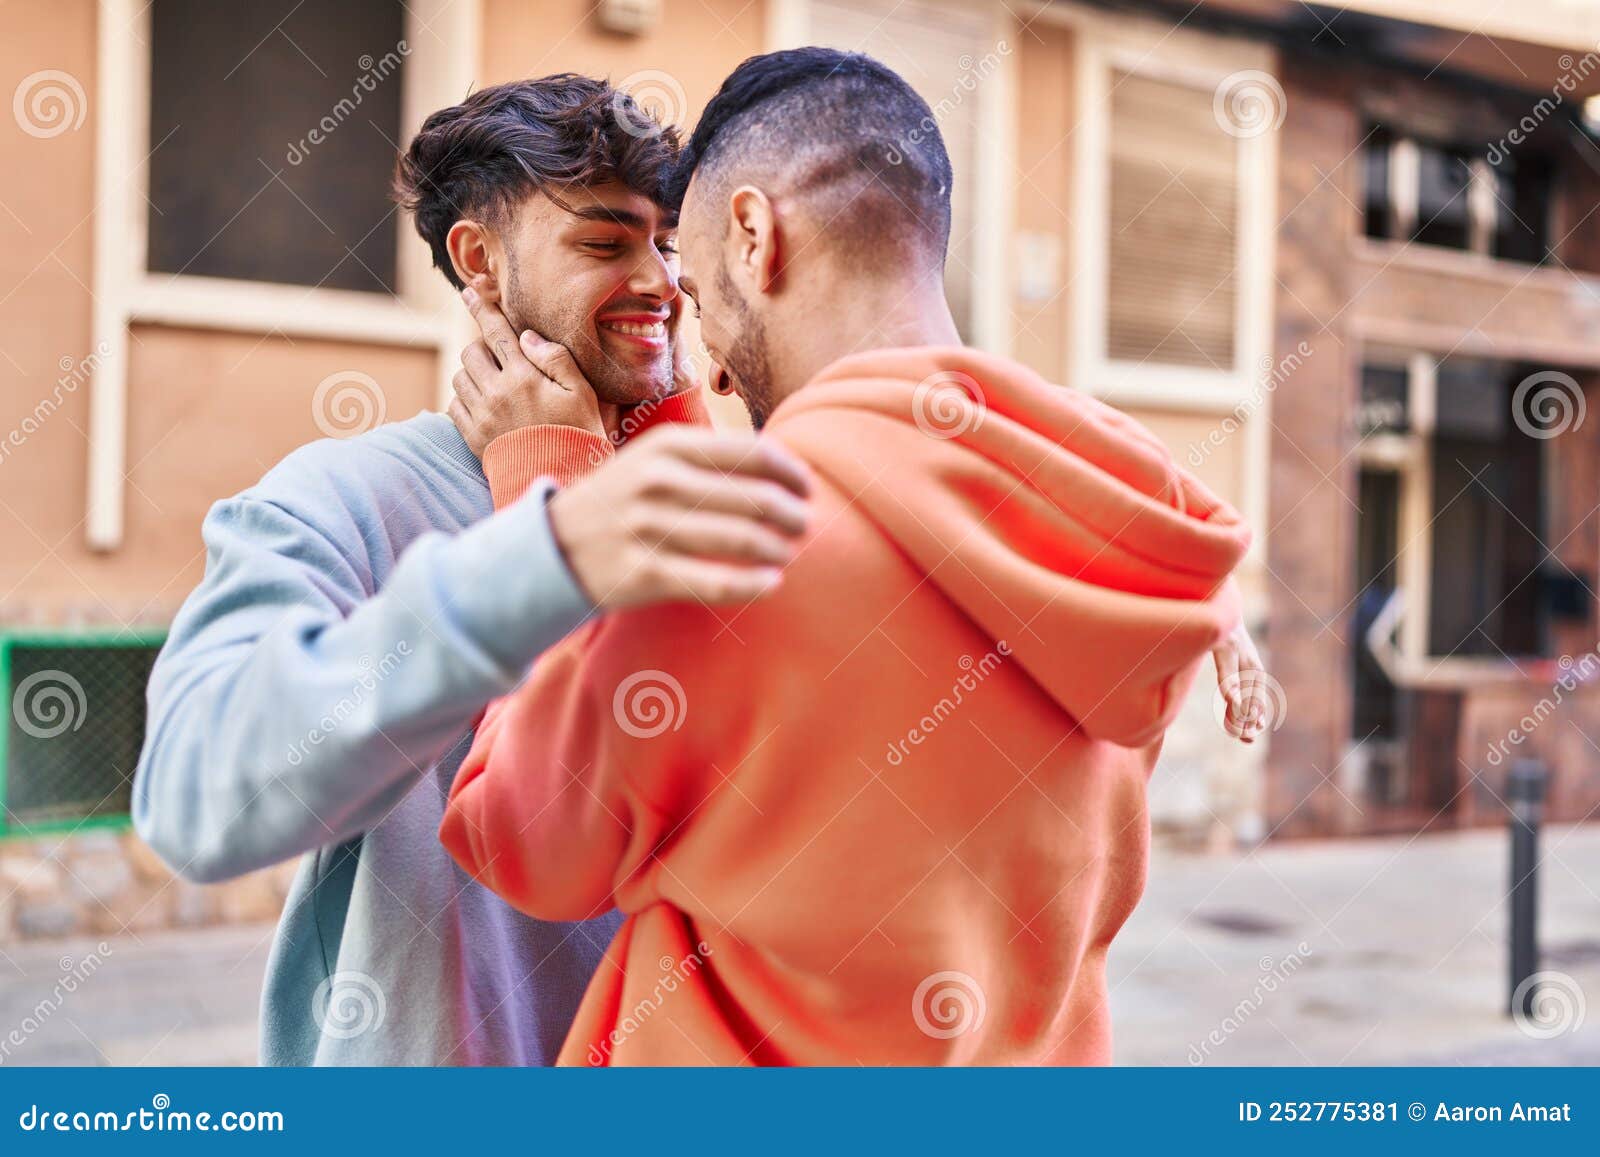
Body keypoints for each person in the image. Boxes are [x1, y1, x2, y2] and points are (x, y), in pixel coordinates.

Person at [439, 49, 1262, 1065]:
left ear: (755, 236)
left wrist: (546, 491)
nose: (710, 373)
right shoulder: (1115, 508)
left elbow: (520, 837)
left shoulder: (729, 550)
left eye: (696, 297)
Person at [131, 74, 810, 1066]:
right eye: (603, 241)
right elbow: (196, 802)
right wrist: (544, 554)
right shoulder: (344, 496)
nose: (661, 280)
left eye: (666, 241)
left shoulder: (723, 487)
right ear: (479, 262)